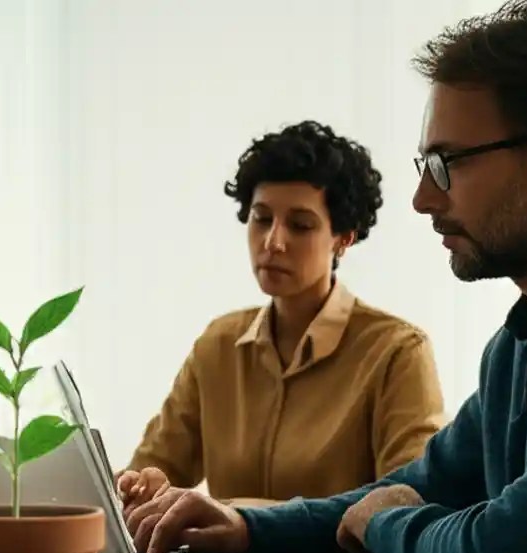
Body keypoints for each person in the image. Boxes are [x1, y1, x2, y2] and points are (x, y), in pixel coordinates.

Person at [122, 0, 527, 553]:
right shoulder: (520, 340)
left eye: (447, 164)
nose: (422, 198)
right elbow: (429, 482)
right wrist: (249, 526)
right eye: (425, 167)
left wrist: (384, 523)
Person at [122, 121, 445, 508]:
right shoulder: (218, 345)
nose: (273, 242)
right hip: (219, 551)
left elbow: (406, 505)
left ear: (343, 238)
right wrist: (142, 488)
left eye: (300, 225)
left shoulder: (396, 352)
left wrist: (238, 516)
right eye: (261, 219)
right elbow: (149, 471)